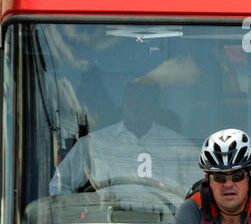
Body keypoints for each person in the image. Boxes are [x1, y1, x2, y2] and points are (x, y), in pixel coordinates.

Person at [49, 77, 195, 202]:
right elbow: (60, 184)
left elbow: (198, 192)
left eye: (144, 100)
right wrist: (75, 215)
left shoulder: (179, 147)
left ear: (155, 106)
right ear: (123, 103)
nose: (135, 106)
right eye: (131, 99)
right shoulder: (93, 144)